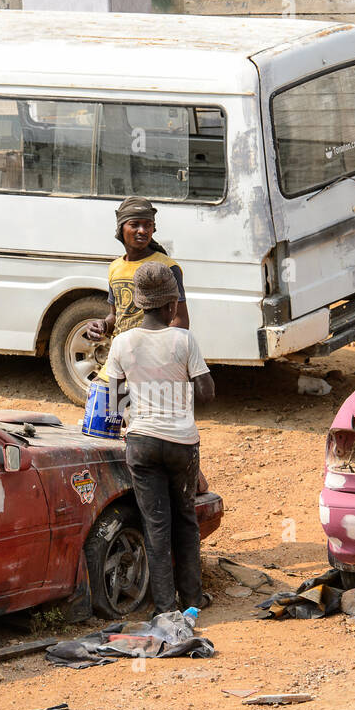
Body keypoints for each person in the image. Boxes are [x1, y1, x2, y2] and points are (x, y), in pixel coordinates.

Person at [104, 260, 214, 618]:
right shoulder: (183, 340)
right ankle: (193, 603)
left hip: (142, 443)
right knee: (185, 520)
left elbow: (115, 401)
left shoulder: (122, 343)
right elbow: (207, 392)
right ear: (170, 305)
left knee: (156, 525)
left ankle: (165, 608)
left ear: (137, 303)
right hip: (182, 443)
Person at [86, 196, 189, 342]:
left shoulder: (167, 267)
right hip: (120, 355)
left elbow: (181, 320)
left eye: (148, 225)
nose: (142, 230)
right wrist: (102, 325)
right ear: (121, 228)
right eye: (134, 224)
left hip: (151, 359)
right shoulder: (115, 267)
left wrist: (157, 349)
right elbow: (116, 316)